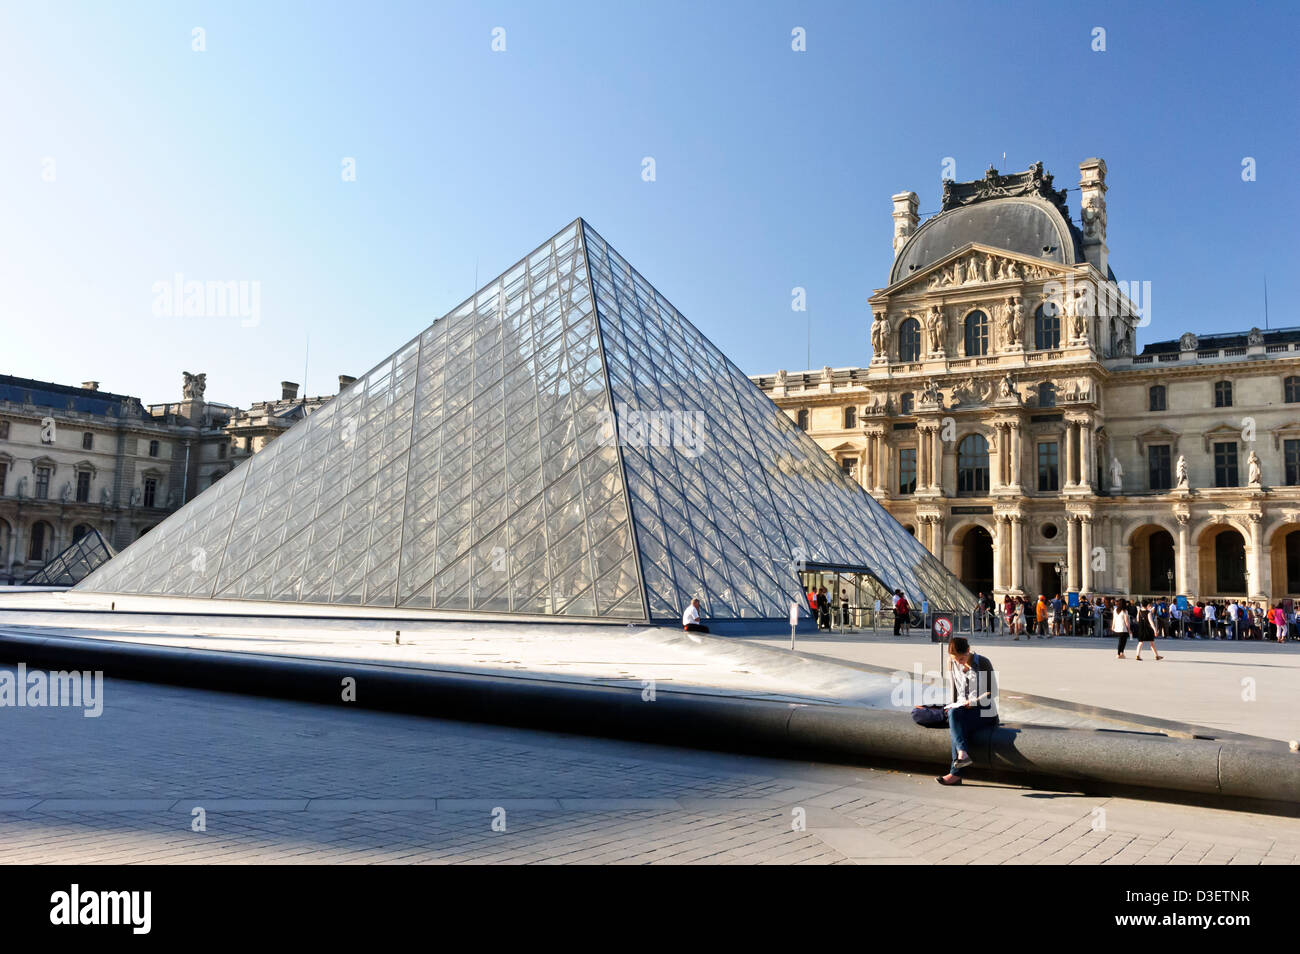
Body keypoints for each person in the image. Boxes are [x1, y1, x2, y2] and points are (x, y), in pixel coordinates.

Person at [936, 637, 998, 786]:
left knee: (957, 727)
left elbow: (993, 692)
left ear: (968, 651)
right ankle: (962, 756)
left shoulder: (982, 662)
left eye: (961, 658)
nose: (958, 662)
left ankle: (956, 773)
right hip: (964, 708)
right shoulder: (951, 662)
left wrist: (974, 701)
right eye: (955, 659)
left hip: (985, 711)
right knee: (954, 716)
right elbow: (954, 691)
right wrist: (953, 705)